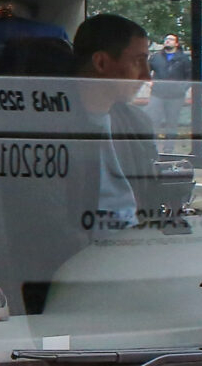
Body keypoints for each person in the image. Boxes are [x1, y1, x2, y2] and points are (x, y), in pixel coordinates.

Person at [70, 14, 169, 232]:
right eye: (138, 61)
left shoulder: (137, 123)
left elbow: (149, 197)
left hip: (135, 243)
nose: (146, 76)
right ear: (101, 63)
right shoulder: (52, 128)